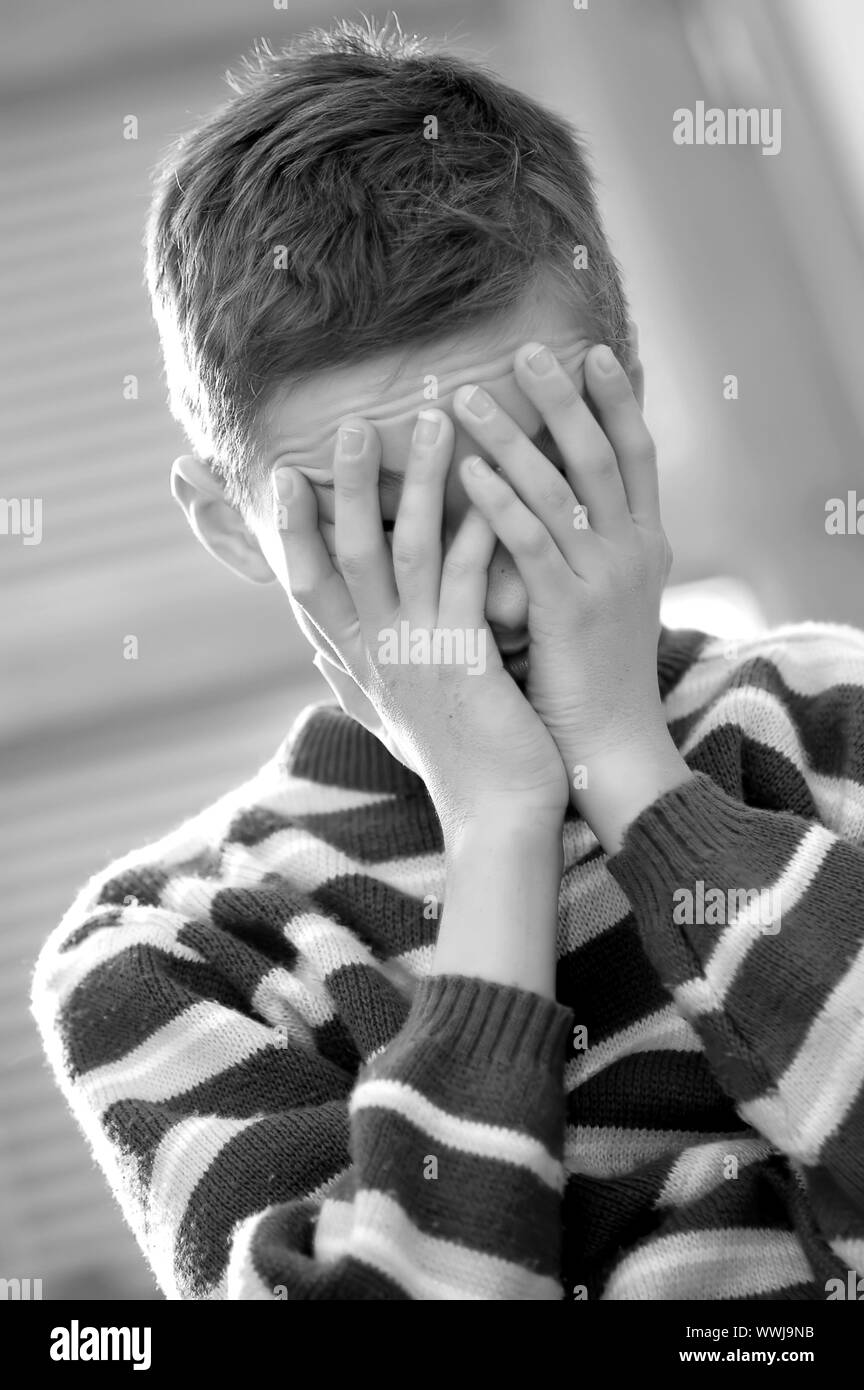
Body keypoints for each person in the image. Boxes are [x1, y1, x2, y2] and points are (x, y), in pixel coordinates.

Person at [32, 16, 864, 1300]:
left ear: (626, 396)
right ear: (228, 526)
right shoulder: (176, 950)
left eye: (526, 468)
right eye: (379, 521)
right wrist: (498, 827)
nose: (465, 584)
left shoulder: (835, 718)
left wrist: (634, 770)